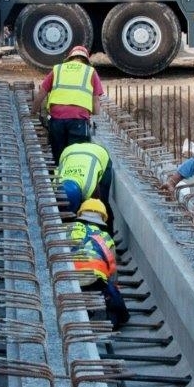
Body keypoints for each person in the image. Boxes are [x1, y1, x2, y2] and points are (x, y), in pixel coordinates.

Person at [29, 44, 104, 161]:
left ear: (70, 58)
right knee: (75, 158)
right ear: (86, 60)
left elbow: (41, 94)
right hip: (78, 120)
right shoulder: (90, 72)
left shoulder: (57, 69)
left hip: (56, 120)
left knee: (59, 157)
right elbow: (96, 102)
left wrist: (33, 113)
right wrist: (94, 115)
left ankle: (58, 176)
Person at [69, 199, 129, 329]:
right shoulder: (106, 238)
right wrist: (113, 291)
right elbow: (112, 274)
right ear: (102, 218)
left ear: (81, 214)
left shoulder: (68, 228)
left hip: (69, 277)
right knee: (117, 308)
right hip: (95, 280)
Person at [56, 140, 113, 221]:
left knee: (100, 204)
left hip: (99, 153)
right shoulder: (55, 184)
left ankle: (106, 230)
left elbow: (93, 203)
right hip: (70, 151)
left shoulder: (88, 188)